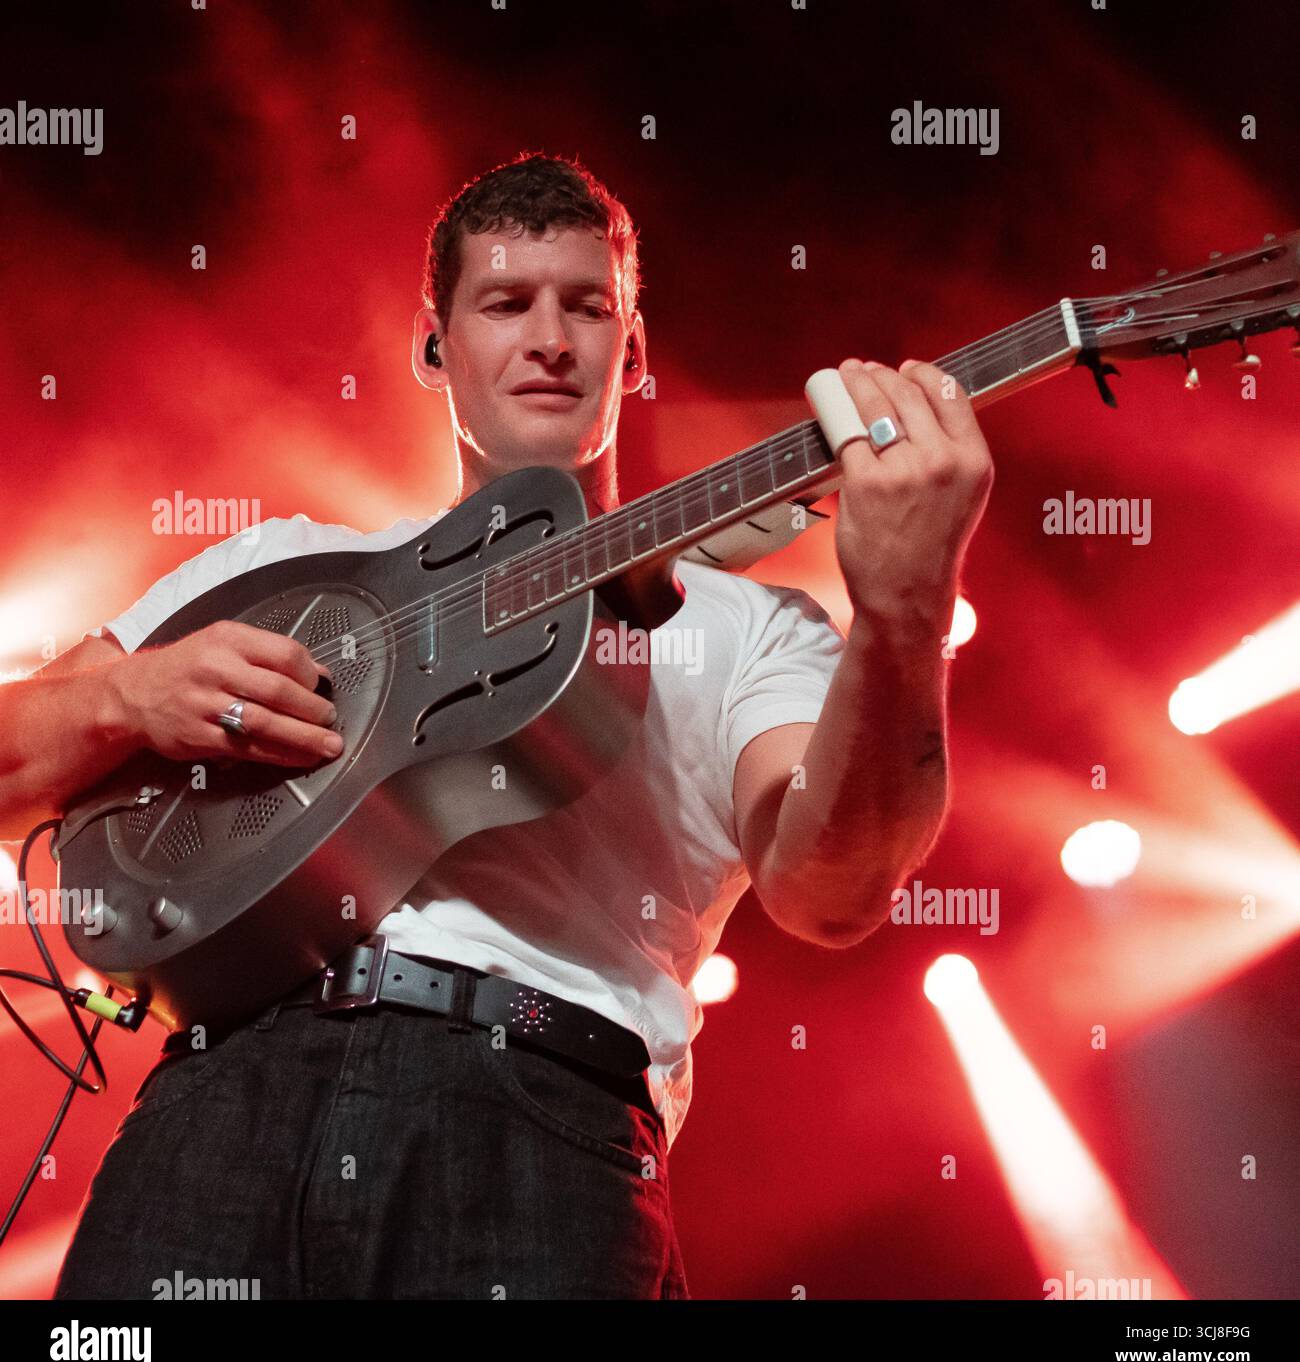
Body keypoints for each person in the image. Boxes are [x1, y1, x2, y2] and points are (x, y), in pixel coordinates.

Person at [0, 152, 993, 1299]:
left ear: (636, 348)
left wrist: (905, 611)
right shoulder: (282, 562)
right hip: (221, 1101)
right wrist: (133, 692)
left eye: (589, 306)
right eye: (506, 303)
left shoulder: (757, 625)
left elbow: (833, 888)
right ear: (435, 345)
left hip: (539, 1118)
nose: (552, 339)